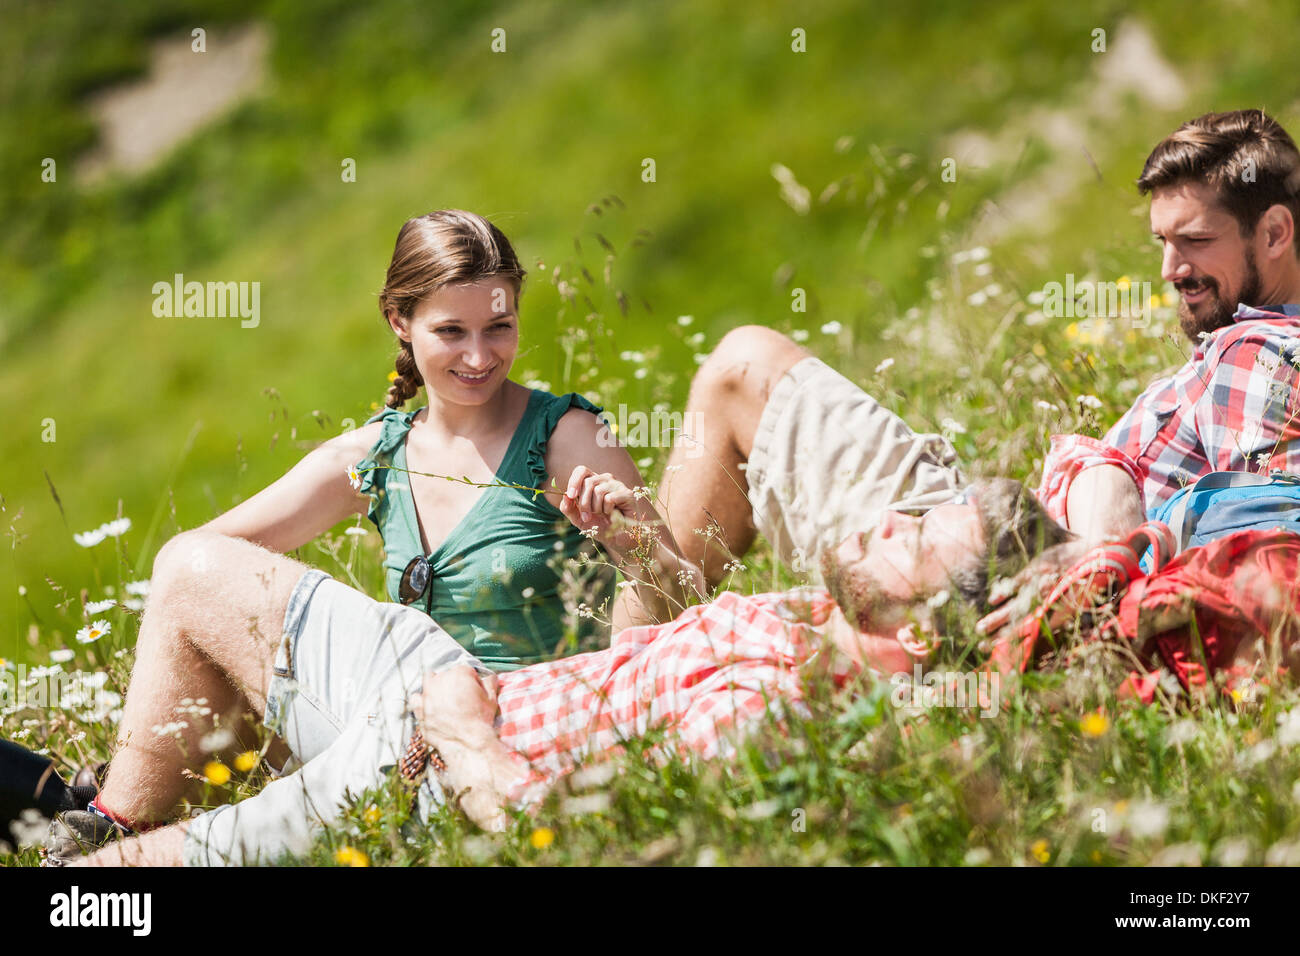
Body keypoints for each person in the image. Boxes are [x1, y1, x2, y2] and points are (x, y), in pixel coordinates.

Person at [50, 476, 1065, 865]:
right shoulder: (809, 614)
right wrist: (637, 559)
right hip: (438, 676)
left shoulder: (783, 717)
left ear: (929, 635)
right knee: (190, 569)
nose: (888, 514)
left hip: (421, 771)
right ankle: (111, 815)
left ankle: (98, 857)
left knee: (100, 901)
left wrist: (461, 733)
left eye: (916, 537)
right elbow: (632, 670)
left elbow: (561, 835)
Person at [653, 110, 1300, 632]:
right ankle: (630, 660)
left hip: (984, 580)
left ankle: (626, 656)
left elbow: (1266, 542)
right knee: (743, 373)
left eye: (1194, 241)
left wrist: (1103, 550)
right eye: (1162, 241)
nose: (1169, 268)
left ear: (1274, 234)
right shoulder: (1247, 345)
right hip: (989, 547)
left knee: (744, 371)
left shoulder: (1263, 354)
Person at [192, 209, 700, 671]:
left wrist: (636, 551)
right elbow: (196, 558)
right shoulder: (376, 457)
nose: (479, 358)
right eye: (452, 331)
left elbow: (685, 607)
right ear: (399, 321)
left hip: (547, 717)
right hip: (412, 730)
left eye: (498, 327)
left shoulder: (565, 438)